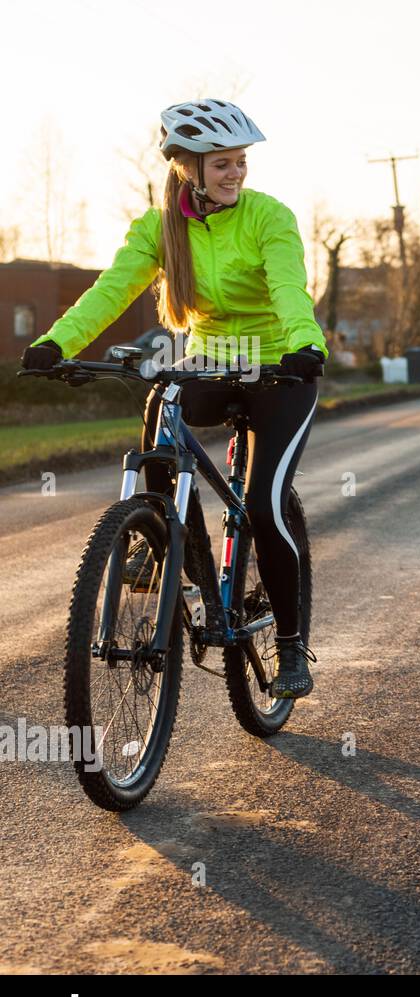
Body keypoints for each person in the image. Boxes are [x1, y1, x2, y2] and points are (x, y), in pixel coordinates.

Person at [20, 99, 326, 698]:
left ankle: (291, 650)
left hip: (280, 368)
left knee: (263, 504)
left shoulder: (270, 217)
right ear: (187, 167)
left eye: (241, 162)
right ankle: (157, 535)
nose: (235, 173)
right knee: (164, 397)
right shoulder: (157, 230)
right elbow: (110, 291)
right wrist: (56, 342)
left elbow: (290, 289)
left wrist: (304, 345)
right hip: (212, 359)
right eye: (222, 164)